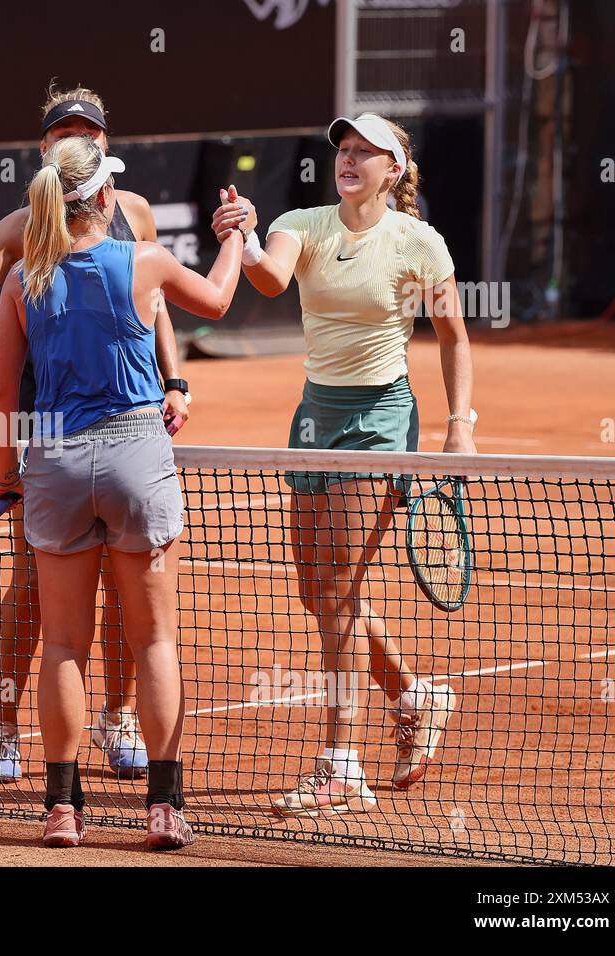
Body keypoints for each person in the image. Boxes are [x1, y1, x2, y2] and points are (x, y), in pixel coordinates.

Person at [0, 85, 236, 782]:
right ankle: (3, 725)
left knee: (121, 587)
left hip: (123, 408)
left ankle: (115, 720)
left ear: (105, 144)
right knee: (32, 587)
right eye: (62, 130)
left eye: (88, 130)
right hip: (45, 414)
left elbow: (156, 303)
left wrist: (177, 382)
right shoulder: (18, 228)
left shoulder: (132, 213)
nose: (76, 138)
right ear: (42, 146)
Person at [0, 135, 244, 848]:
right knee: (154, 637)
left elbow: (3, 393)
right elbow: (219, 301)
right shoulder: (147, 261)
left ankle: (62, 809)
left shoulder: (22, 282)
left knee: (63, 642)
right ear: (105, 198)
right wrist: (236, 237)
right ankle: (165, 806)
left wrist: (8, 473)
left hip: (56, 465)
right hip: (137, 458)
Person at [217, 113, 473, 816]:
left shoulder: (419, 243)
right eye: (344, 150)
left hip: (381, 419)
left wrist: (460, 425)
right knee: (319, 592)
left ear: (394, 170)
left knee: (336, 590)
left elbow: (452, 335)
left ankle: (340, 765)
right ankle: (416, 695)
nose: (349, 159)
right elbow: (269, 280)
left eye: (367, 152)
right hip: (314, 417)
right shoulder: (304, 223)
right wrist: (241, 233)